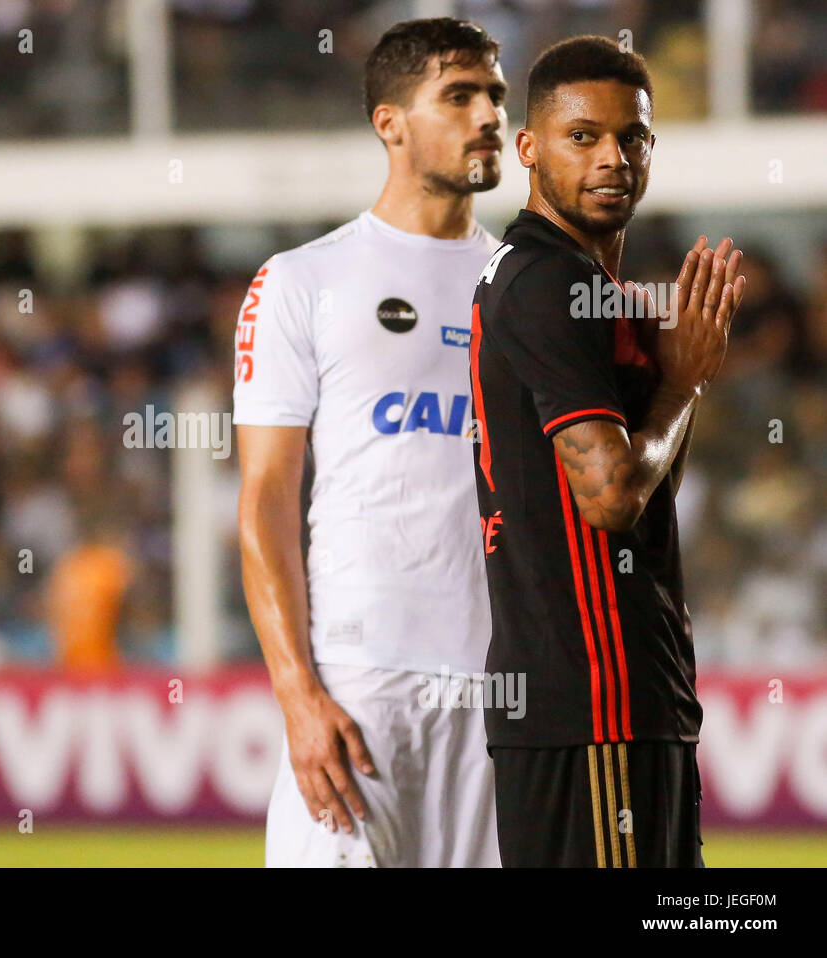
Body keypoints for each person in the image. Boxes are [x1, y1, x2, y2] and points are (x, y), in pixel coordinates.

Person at [235, 17, 506, 867]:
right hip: (363, 684)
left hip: (504, 688)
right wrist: (297, 693)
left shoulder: (524, 288)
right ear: (390, 122)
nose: (488, 114)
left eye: (495, 95)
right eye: (458, 96)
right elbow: (267, 497)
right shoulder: (303, 281)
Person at [469, 36, 745, 867]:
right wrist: (685, 383)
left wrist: (671, 382)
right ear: (528, 148)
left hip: (617, 701)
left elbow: (645, 490)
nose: (612, 158)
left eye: (633, 137)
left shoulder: (580, 287)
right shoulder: (548, 284)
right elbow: (612, 496)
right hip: (593, 702)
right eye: (582, 136)